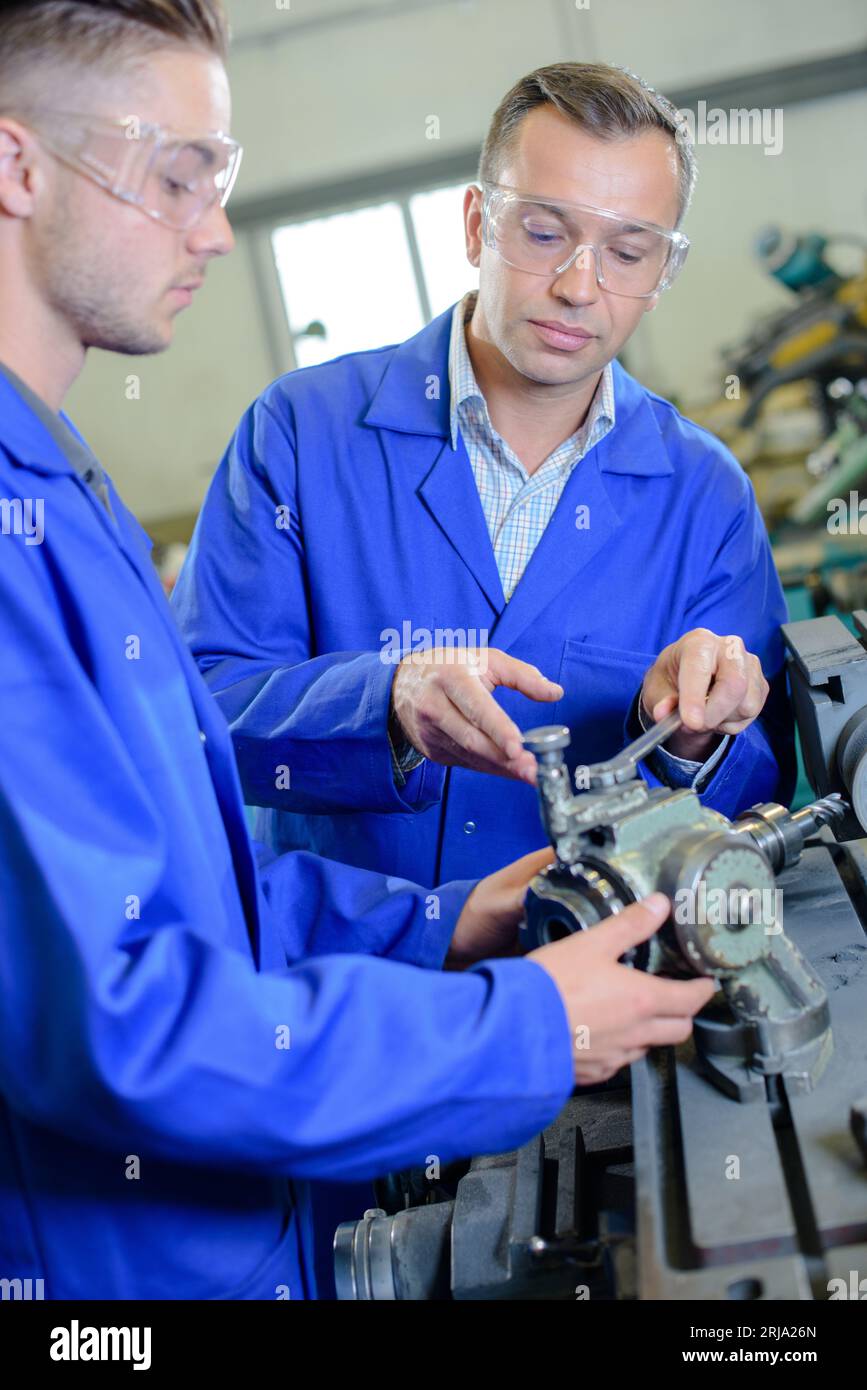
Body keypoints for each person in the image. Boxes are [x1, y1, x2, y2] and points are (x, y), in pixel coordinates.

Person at [0, 2, 715, 1301]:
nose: (216, 228)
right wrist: (515, 1019)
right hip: (152, 1239)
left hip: (285, 1157)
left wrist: (454, 921)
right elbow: (121, 1014)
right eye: (178, 175)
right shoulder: (256, 446)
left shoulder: (70, 487)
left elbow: (193, 887)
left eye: (626, 250)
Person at [174, 61, 795, 891]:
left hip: (609, 975)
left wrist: (694, 739)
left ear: (661, 272)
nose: (580, 287)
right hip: (355, 984)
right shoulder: (298, 433)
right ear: (476, 226)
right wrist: (384, 703)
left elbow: (762, 786)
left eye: (627, 252)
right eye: (543, 233)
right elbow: (198, 713)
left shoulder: (704, 492)